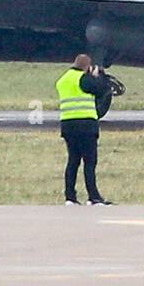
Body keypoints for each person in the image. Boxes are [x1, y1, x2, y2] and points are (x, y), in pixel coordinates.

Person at [55, 53, 113, 205]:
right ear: (87, 67)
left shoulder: (63, 80)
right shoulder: (84, 79)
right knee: (89, 161)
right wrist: (97, 77)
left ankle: (70, 197)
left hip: (68, 125)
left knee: (73, 161)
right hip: (86, 125)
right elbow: (102, 90)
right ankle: (93, 197)